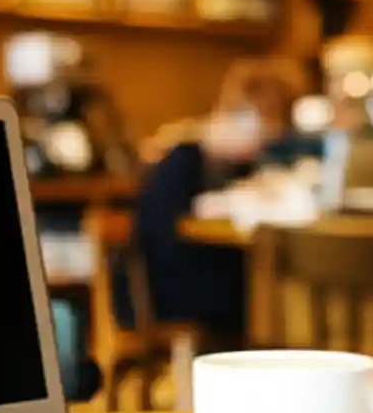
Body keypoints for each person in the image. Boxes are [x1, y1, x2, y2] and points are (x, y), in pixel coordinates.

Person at [120, 60, 320, 337]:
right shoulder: (182, 160)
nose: (268, 137)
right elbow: (165, 241)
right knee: (271, 293)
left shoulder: (236, 166)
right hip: (174, 291)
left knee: (277, 285)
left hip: (212, 279)